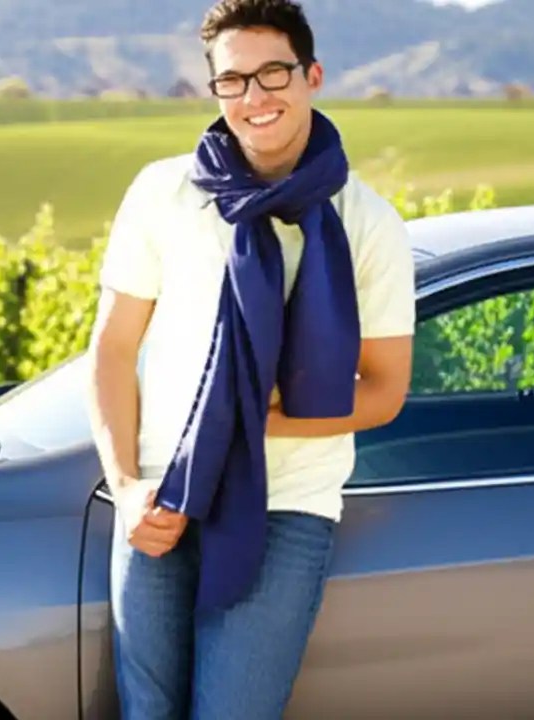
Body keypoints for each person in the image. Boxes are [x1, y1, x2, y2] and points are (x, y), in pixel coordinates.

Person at [85, 0, 416, 717]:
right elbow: (111, 350)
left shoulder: (367, 223)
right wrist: (126, 486)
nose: (255, 98)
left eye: (274, 74)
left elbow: (386, 391)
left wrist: (253, 425)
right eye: (233, 81)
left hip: (287, 507)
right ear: (215, 91)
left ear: (312, 75)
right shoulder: (163, 194)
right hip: (162, 497)